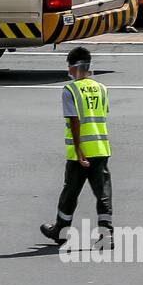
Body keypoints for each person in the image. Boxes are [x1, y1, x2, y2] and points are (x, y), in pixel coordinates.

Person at [40, 45, 113, 248]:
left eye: (69, 67)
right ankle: (106, 232)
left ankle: (61, 231)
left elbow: (74, 121)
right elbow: (101, 114)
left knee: (70, 191)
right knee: (103, 191)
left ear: (74, 67)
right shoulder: (102, 88)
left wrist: (80, 151)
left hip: (79, 153)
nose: (69, 71)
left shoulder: (70, 90)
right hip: (101, 148)